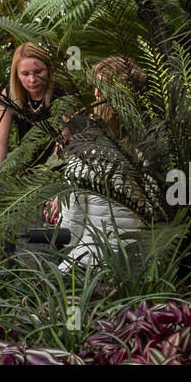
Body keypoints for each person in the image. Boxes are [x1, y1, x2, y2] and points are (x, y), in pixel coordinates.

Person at [54, 56, 151, 270]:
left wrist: (38, 231)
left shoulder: (86, 154)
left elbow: (69, 235)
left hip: (93, 269)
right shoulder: (152, 151)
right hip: (144, 268)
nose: (95, 94)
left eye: (99, 88)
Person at [0, 42, 55, 170]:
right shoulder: (9, 94)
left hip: (57, 165)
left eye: (38, 71)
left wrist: (44, 173)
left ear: (48, 69)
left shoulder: (60, 94)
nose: (32, 79)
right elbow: (0, 142)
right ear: (17, 75)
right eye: (25, 74)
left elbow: (64, 141)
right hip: (25, 165)